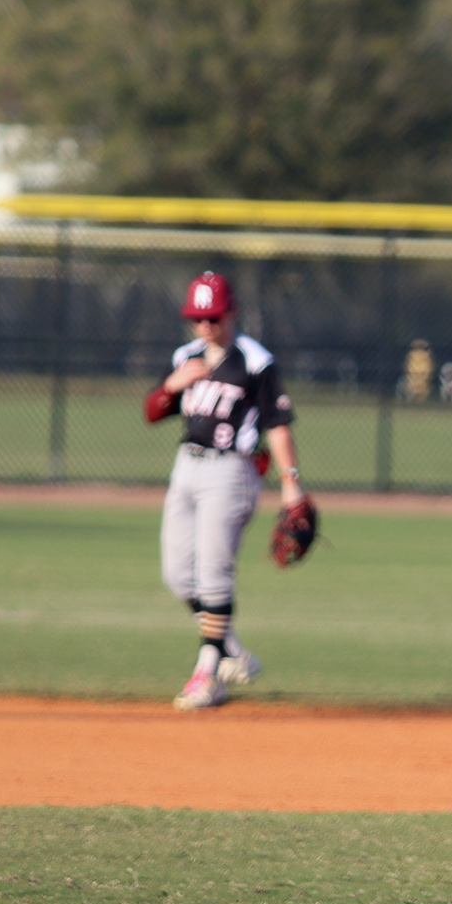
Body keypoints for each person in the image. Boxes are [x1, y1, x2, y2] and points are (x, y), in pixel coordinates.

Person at [143, 271, 305, 710]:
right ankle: (232, 651)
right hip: (186, 467)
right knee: (178, 575)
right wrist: (172, 386)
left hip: (233, 472)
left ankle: (207, 673)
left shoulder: (255, 361)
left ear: (231, 313)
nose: (206, 327)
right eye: (198, 319)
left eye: (213, 317)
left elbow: (277, 425)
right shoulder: (186, 355)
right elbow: (153, 412)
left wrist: (292, 487)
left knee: (214, 574)